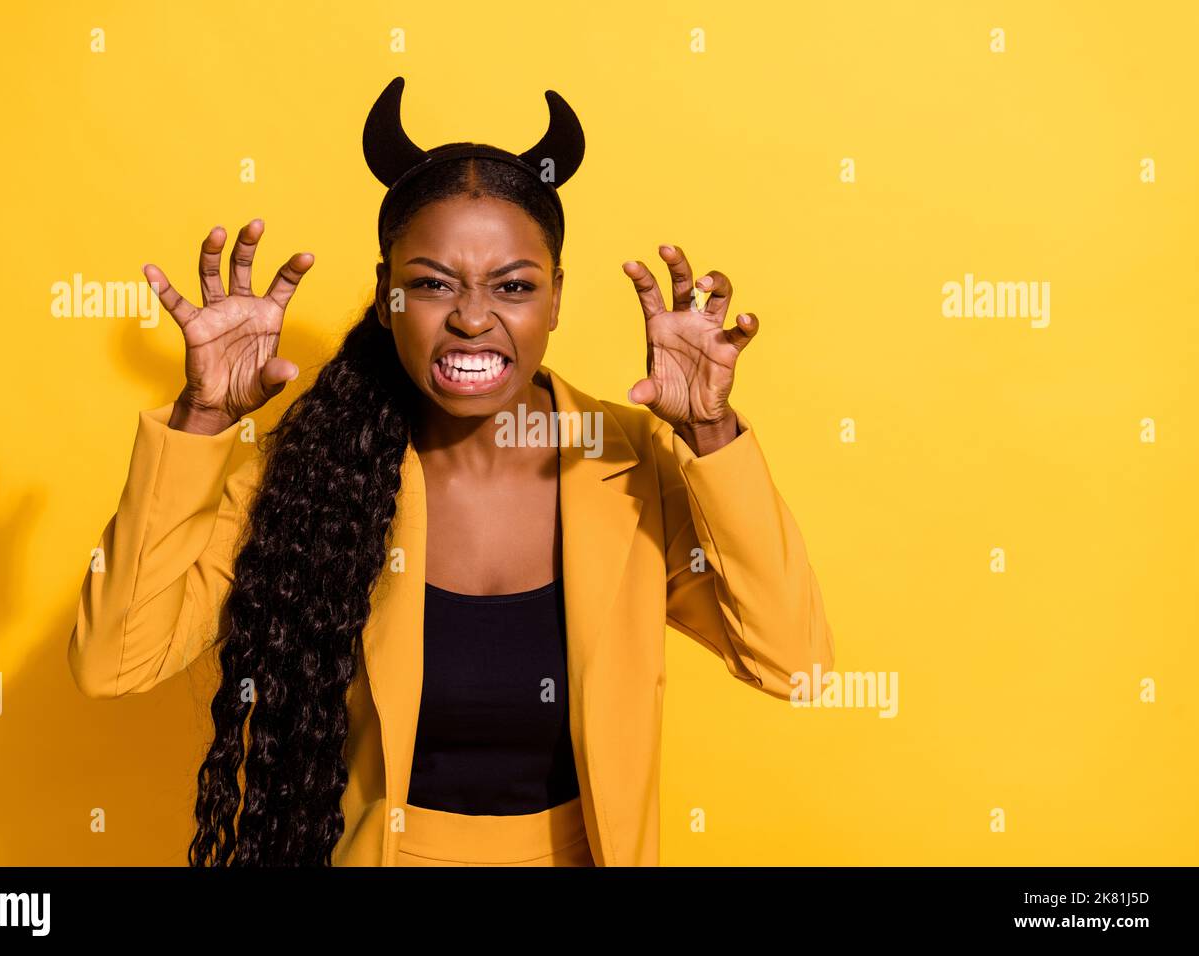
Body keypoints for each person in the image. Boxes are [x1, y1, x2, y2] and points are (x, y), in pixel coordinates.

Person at [68, 76, 836, 867]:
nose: (472, 317)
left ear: (557, 298)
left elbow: (794, 664)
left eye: (514, 286)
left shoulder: (630, 462)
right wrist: (203, 418)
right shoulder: (310, 475)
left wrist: (709, 430)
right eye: (433, 284)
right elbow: (114, 661)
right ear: (386, 295)